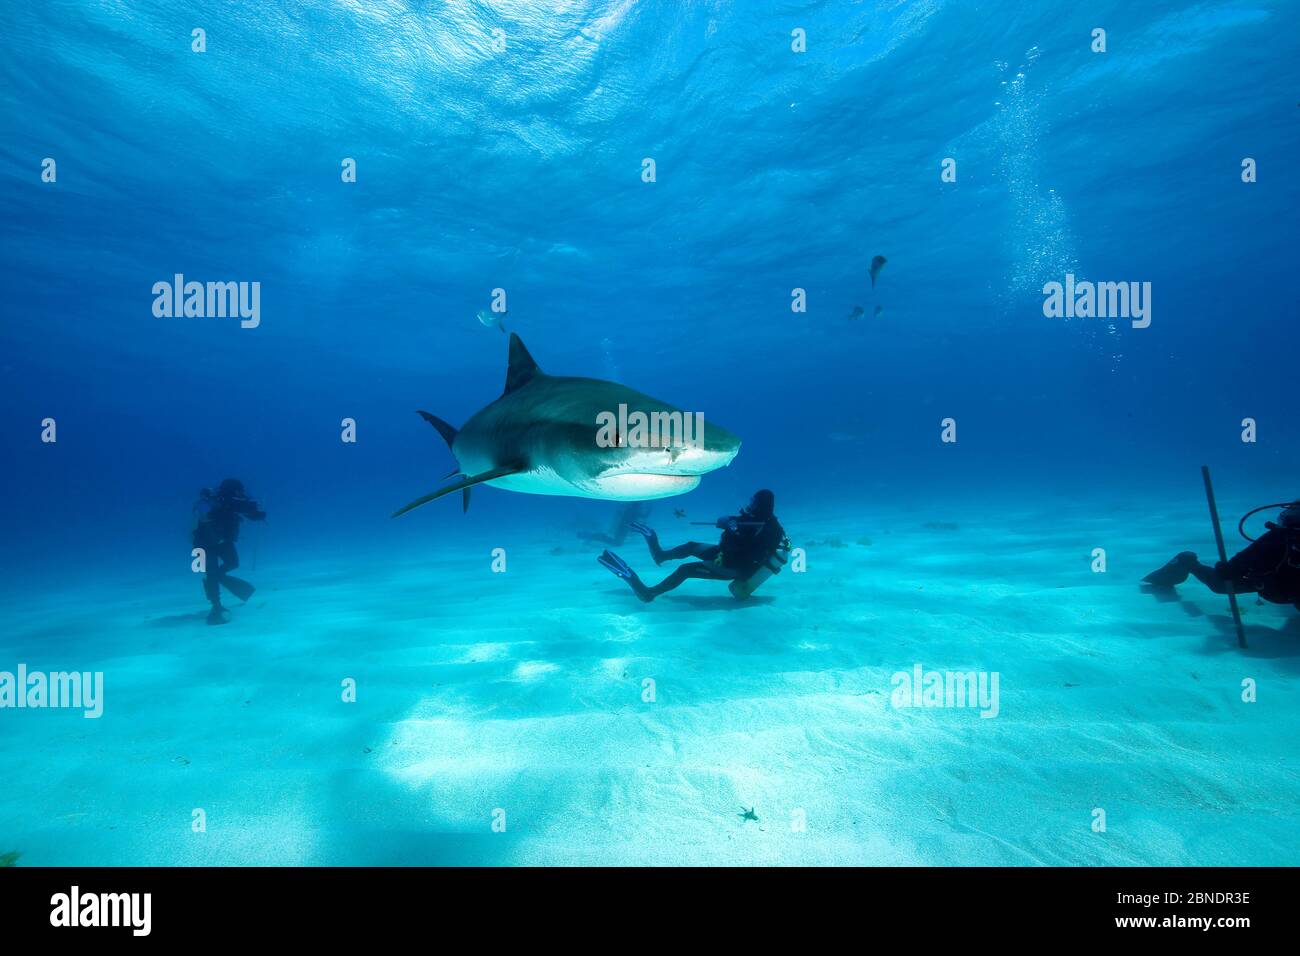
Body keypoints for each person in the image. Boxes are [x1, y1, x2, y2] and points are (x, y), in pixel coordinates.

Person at [597, 490, 785, 602]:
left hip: (734, 568)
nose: (750, 504)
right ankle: (660, 555)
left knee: (685, 570)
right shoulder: (754, 518)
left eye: (754, 502)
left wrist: (734, 531)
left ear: (761, 505)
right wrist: (731, 521)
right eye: (751, 500)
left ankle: (649, 593)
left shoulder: (771, 530)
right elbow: (738, 528)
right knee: (691, 546)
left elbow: (751, 554)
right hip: (724, 555)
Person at [1143, 500, 1300, 609]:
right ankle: (1187, 561)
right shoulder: (1278, 538)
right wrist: (1227, 570)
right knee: (1220, 584)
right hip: (1276, 589)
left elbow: (1233, 568)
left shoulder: (1277, 537)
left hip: (1288, 591)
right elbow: (1231, 570)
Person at [192, 478, 266, 624]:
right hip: (202, 544)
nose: (241, 494)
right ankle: (216, 606)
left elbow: (245, 511)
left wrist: (256, 515)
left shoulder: (232, 503)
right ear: (231, 490)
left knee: (233, 563)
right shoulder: (208, 502)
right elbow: (207, 514)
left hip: (222, 541)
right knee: (210, 571)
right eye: (239, 491)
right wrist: (229, 508)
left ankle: (214, 578)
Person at [577, 501, 651, 546]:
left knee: (616, 542)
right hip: (623, 528)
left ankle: (589, 535)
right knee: (617, 543)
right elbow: (643, 516)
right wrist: (649, 510)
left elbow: (622, 516)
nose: (641, 507)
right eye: (640, 505)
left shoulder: (630, 510)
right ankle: (588, 535)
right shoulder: (634, 511)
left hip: (622, 527)